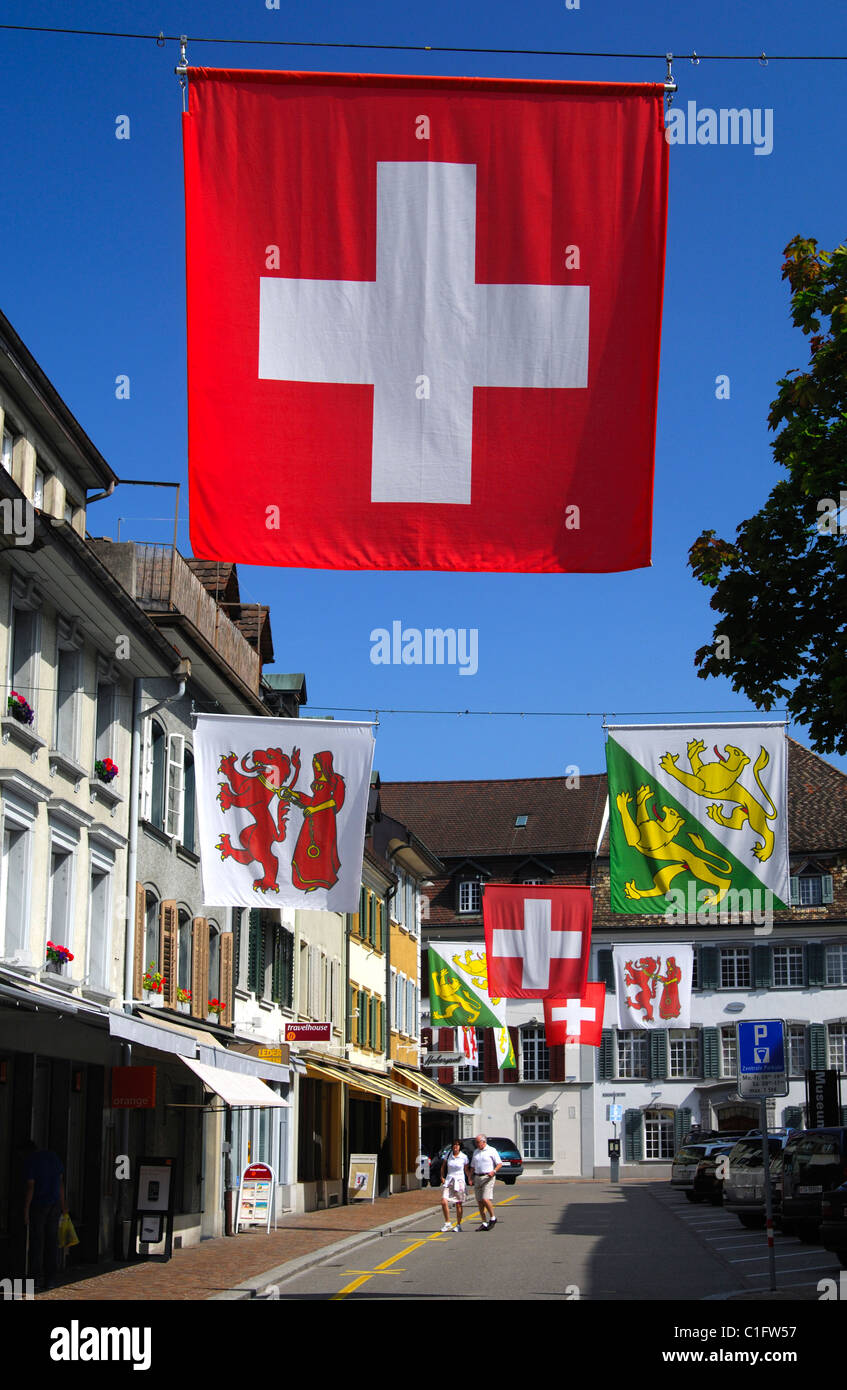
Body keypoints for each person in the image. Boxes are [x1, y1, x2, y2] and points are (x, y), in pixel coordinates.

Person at [21, 1140, 66, 1291]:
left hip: (39, 1205)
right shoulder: (53, 1157)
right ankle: (50, 1279)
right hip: (54, 1205)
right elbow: (60, 1184)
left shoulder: (30, 1161)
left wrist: (25, 1210)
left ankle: (34, 1279)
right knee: (51, 1242)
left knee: (37, 1243)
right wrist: (63, 1207)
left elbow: (30, 1187)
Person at [468, 1133, 501, 1230]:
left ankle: (493, 1217)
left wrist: (494, 1171)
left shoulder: (491, 1150)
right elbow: (472, 1166)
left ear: (484, 1142)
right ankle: (484, 1222)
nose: (477, 1144)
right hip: (477, 1177)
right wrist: (470, 1177)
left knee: (485, 1199)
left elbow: (499, 1164)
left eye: (478, 1142)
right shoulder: (476, 1152)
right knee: (479, 1202)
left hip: (488, 1177)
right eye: (476, 1143)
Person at [439, 1140, 468, 1232]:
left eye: (457, 1145)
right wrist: (442, 1177)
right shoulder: (448, 1155)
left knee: (458, 1203)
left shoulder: (464, 1157)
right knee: (444, 1201)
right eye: (454, 1145)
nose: (455, 1146)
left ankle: (458, 1225)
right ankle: (447, 1223)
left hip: (459, 1181)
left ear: (460, 1147)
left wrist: (470, 1178)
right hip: (449, 1180)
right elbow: (443, 1166)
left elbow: (466, 1170)